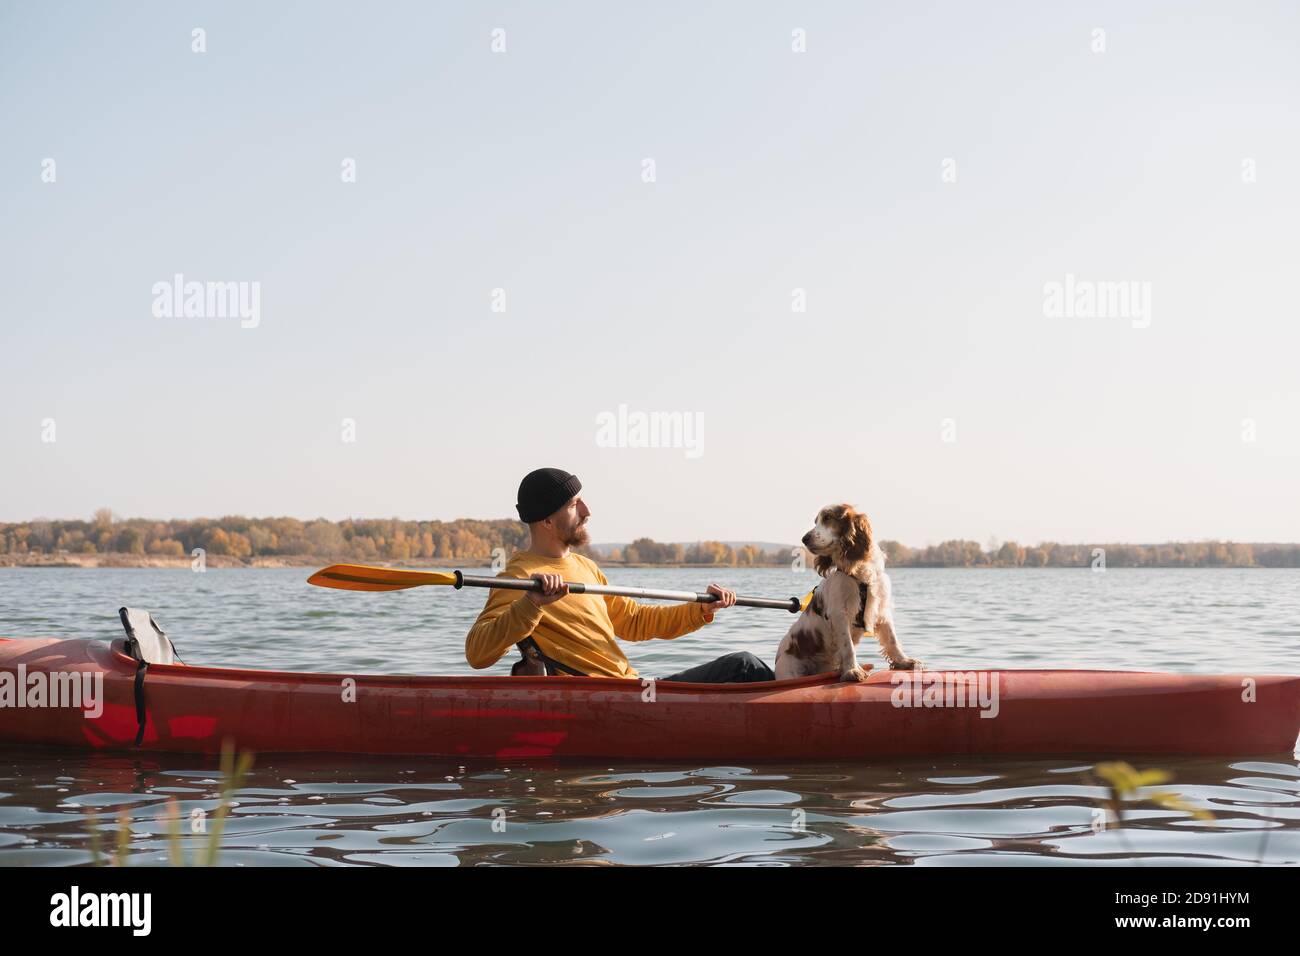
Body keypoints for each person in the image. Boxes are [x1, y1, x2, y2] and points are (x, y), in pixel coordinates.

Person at [465, 467, 775, 682]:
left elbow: (635, 622)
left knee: (746, 671)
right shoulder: (519, 578)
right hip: (605, 699)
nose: (587, 511)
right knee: (744, 668)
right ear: (547, 521)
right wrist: (531, 604)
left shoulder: (586, 568)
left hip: (632, 688)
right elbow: (477, 654)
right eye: (574, 504)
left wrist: (700, 610)